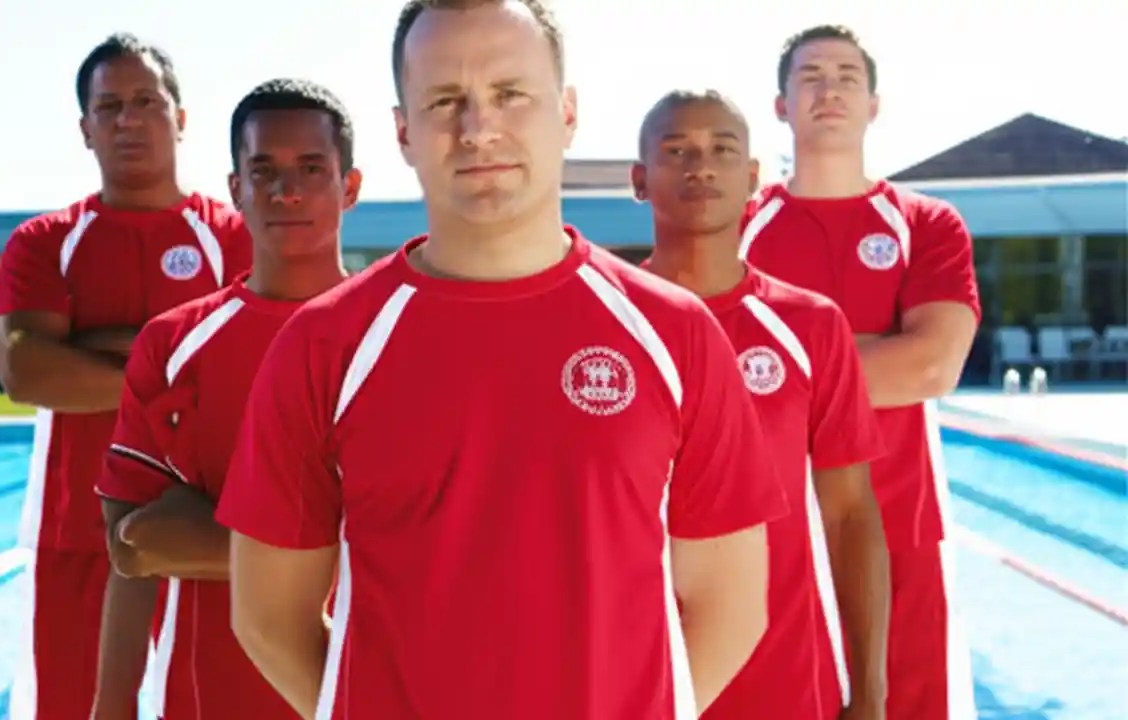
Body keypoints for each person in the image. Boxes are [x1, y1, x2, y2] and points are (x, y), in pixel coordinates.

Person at [217, 2, 786, 719]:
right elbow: (269, 617)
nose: (477, 128)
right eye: (444, 101)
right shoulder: (324, 344)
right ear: (403, 131)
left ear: (566, 113)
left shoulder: (675, 336)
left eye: (510, 94)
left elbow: (729, 605)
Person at [0, 33, 250, 720]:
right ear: (85, 128)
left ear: (180, 118)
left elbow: (255, 366)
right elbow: (27, 370)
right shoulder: (45, 243)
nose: (128, 119)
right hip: (76, 535)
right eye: (109, 107)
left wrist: (93, 347)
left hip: (205, 532)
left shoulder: (236, 238)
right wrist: (177, 361)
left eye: (146, 101)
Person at [87, 78, 360, 720]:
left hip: (362, 692)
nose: (286, 191)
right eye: (263, 171)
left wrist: (204, 533)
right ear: (235, 188)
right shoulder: (175, 343)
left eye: (311, 169)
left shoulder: (397, 334)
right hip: (203, 700)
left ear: (349, 186)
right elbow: (132, 548)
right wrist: (111, 706)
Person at [739, 25, 982, 720]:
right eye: (810, 76)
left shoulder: (926, 223)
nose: (830, 90)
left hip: (902, 522)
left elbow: (931, 365)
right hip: (773, 532)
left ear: (873, 105)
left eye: (847, 76)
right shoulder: (739, 226)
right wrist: (877, 345)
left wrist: (775, 365)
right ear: (781, 105)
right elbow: (713, 369)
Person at [635, 89, 891, 720]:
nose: (701, 166)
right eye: (677, 151)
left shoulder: (810, 327)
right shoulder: (605, 325)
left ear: (752, 177)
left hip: (786, 685)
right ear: (640, 180)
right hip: (638, 679)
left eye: (722, 150)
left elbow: (850, 514)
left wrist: (871, 693)